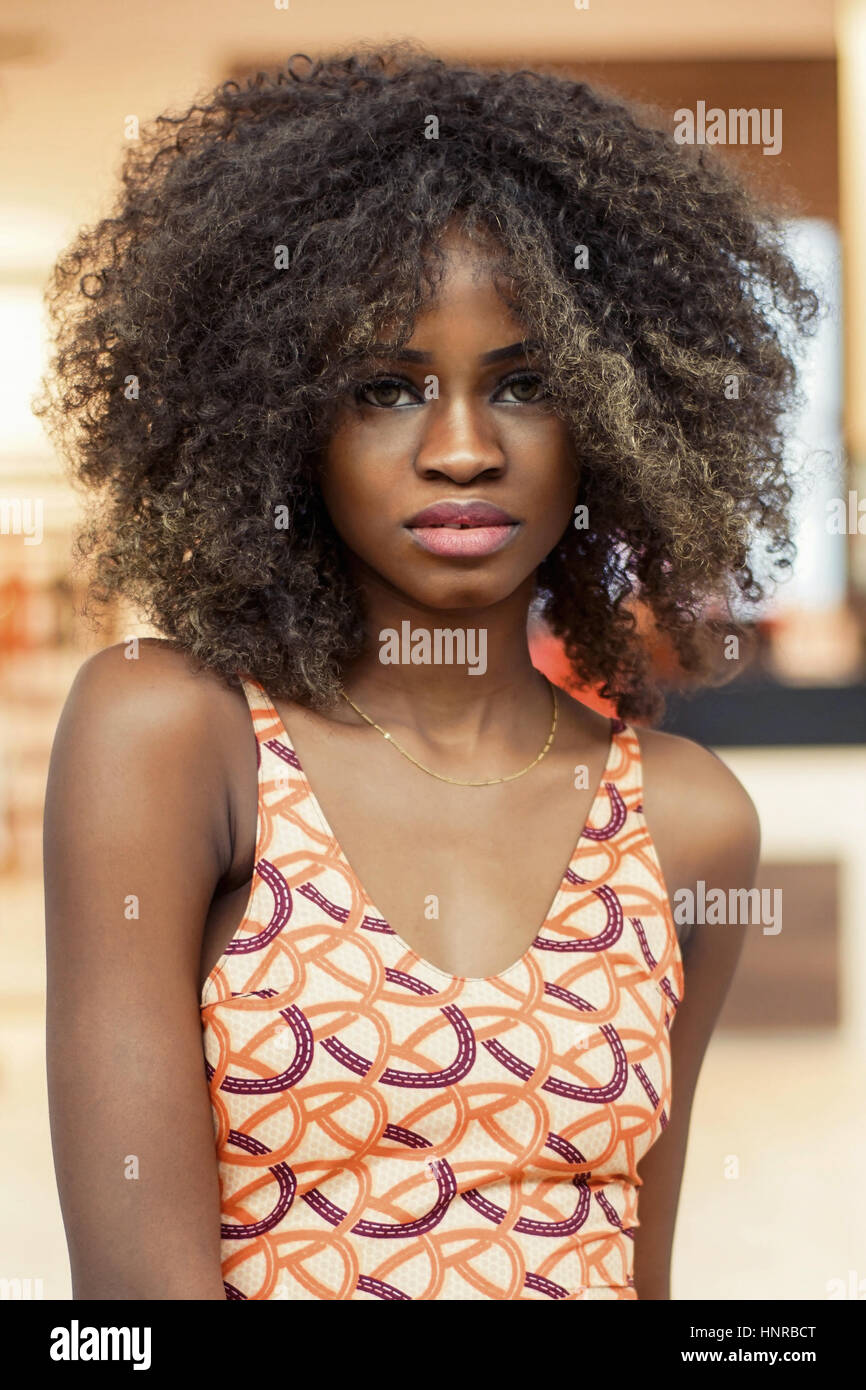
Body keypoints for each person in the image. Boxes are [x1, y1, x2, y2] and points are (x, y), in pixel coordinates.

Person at [38, 43, 818, 1300]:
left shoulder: (685, 821)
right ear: (281, 414)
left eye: (525, 386)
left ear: (620, 419)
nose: (461, 450)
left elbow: (640, 1276)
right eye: (386, 388)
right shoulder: (175, 735)